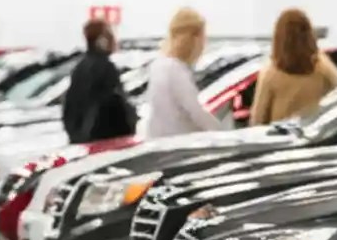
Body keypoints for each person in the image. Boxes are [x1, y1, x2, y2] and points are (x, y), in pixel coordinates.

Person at [250, 9, 337, 126]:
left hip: (283, 142)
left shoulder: (270, 74)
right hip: (319, 140)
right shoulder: (326, 70)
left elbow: (258, 121)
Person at [143, 8, 223, 138]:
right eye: (203, 36)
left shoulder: (158, 65)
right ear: (194, 38)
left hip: (158, 144)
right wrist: (223, 134)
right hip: (178, 146)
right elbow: (196, 113)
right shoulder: (176, 70)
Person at [63, 18, 136, 144]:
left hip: (83, 140)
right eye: (110, 35)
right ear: (101, 40)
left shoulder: (81, 67)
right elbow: (114, 105)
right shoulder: (104, 68)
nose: (114, 39)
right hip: (105, 141)